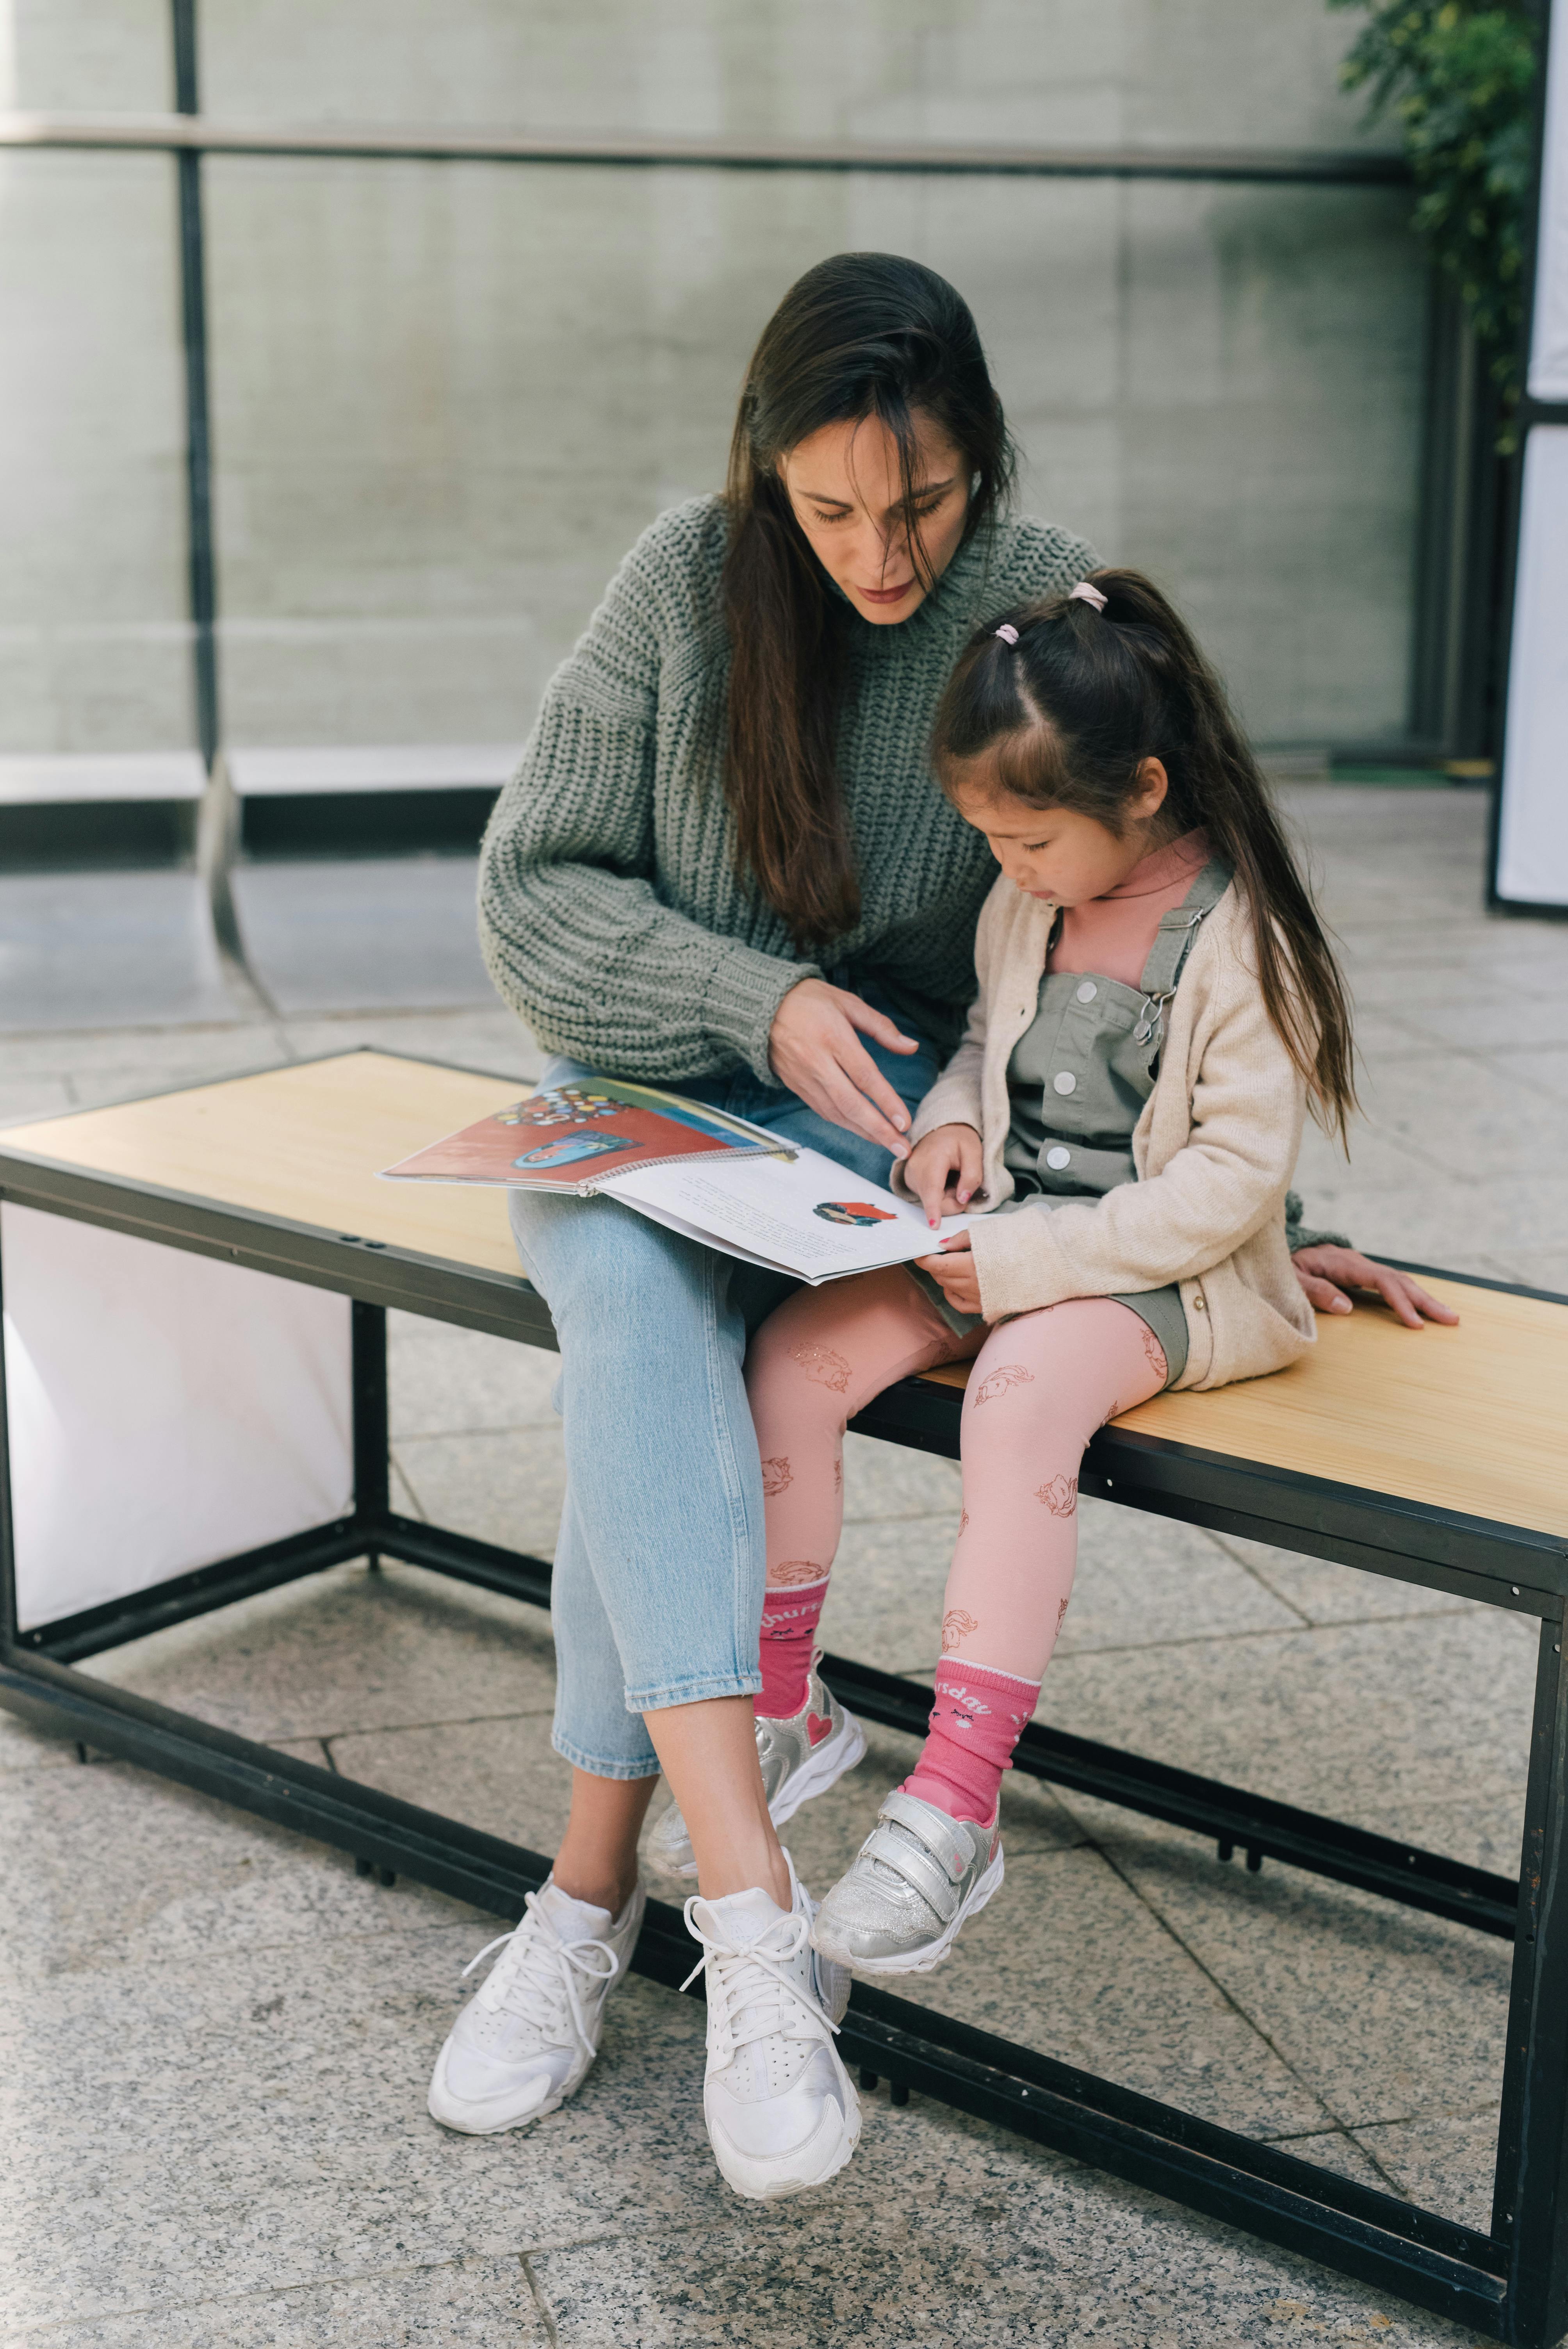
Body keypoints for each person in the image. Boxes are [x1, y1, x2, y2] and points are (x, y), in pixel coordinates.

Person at [428, 254, 1449, 2202]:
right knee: (641, 1324)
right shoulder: (677, 590)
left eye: (924, 500)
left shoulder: (1039, 597)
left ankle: (580, 1905)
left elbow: (1153, 906)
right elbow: (528, 891)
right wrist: (755, 1002)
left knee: (658, 1393)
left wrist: (1234, 1225)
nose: (882, 553)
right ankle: (735, 1921)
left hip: (901, 1145)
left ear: (983, 454)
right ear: (761, 472)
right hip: (669, 1097)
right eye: (828, 509)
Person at [735, 569, 1459, 1984]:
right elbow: (979, 1042)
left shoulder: (1242, 942)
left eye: (1028, 837)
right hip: (1006, 1232)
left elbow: (1224, 1192)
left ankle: (956, 1801)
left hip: (1156, 1280)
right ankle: (787, 1707)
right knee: (790, 1360)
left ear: (1141, 788)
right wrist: (951, 1123)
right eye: (988, 837)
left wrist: (1019, 1260)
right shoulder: (1033, 906)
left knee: (1015, 1403)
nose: (1005, 865)